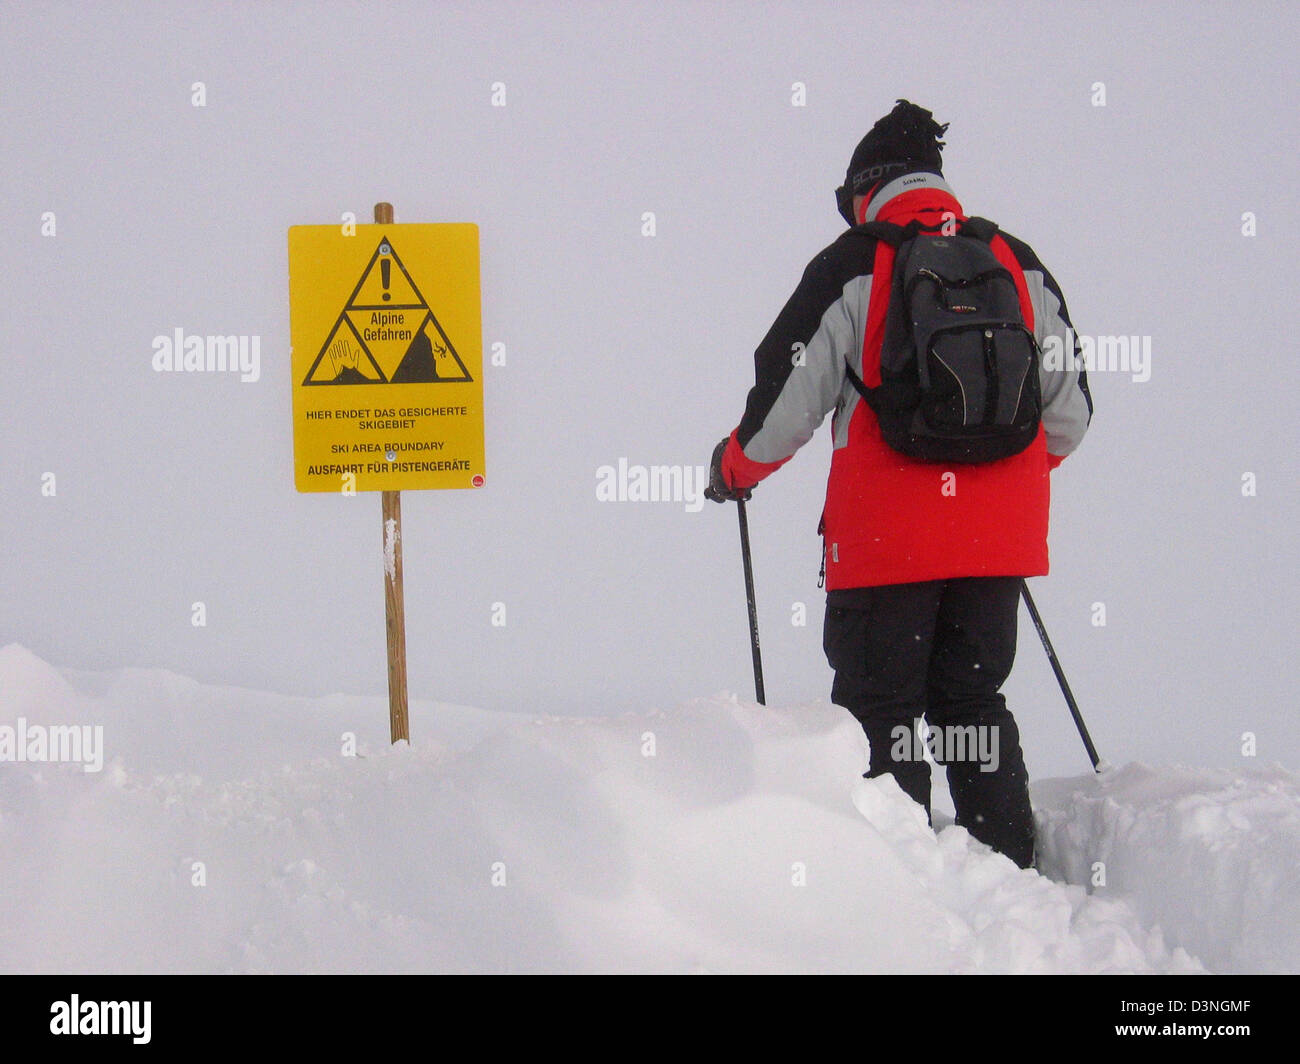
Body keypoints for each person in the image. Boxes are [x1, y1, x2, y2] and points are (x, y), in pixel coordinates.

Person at [705, 100, 1092, 869]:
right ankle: (1013, 874)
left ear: (866, 189)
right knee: (972, 707)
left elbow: (788, 403)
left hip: (885, 548)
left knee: (882, 714)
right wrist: (999, 490)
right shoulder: (1015, 260)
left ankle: (896, 897)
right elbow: (1070, 414)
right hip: (996, 548)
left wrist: (733, 469)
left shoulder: (855, 262)